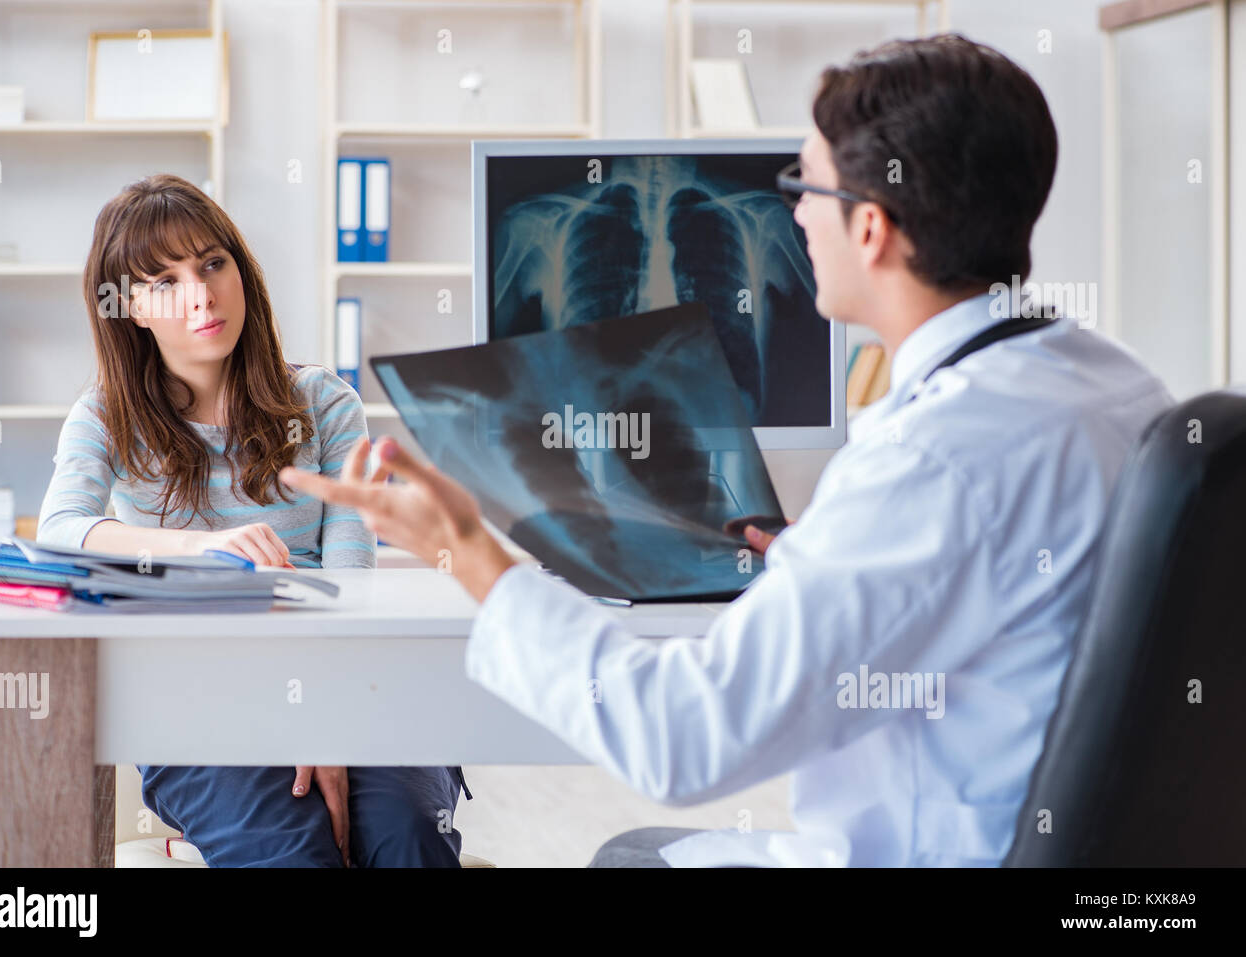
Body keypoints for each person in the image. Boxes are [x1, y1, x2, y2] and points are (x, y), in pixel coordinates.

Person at [280, 35, 1176, 867]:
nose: (795, 215)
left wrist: (469, 549)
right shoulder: (1120, 387)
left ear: (869, 228)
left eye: (805, 188)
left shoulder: (924, 461)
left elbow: (680, 738)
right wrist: (828, 567)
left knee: (628, 854)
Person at [37, 173, 468, 867]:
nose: (202, 294)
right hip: (199, 697)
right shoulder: (105, 416)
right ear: (129, 310)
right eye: (165, 280)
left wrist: (326, 716)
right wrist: (204, 549)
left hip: (350, 676)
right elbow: (58, 531)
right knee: (294, 854)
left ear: (241, 269)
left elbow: (350, 585)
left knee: (405, 836)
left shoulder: (326, 402)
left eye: (212, 263)